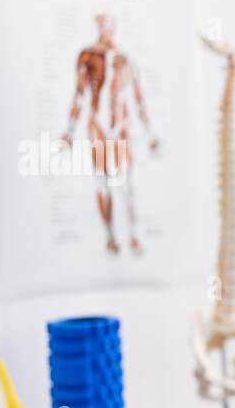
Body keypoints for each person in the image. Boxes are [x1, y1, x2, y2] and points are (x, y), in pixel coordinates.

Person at [60, 13, 161, 257]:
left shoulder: (124, 59)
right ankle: (110, 236)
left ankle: (134, 235)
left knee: (125, 184)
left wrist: (150, 133)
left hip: (119, 128)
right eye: (104, 25)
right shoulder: (87, 56)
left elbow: (137, 96)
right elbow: (79, 95)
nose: (108, 29)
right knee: (103, 184)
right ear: (98, 26)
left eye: (111, 25)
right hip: (97, 127)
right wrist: (69, 131)